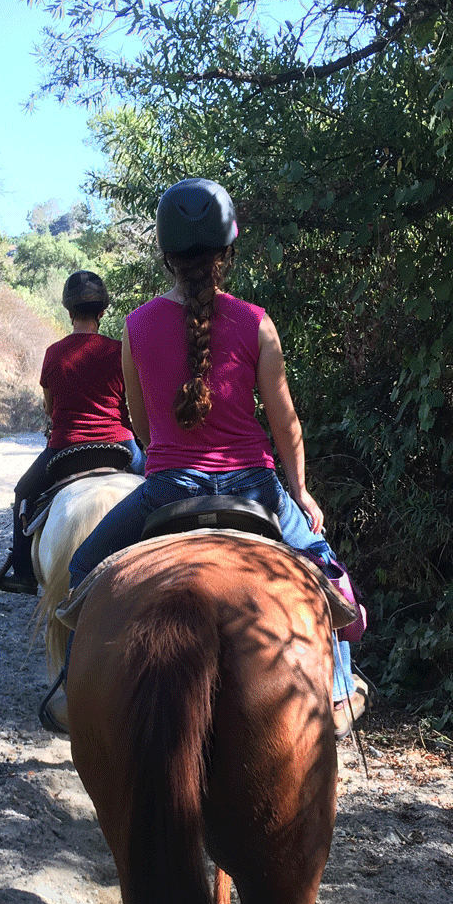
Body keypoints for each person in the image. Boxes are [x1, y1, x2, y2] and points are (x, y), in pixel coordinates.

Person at [66, 178, 366, 732]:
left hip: (168, 487)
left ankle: (72, 693)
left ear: (164, 254)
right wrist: (299, 492)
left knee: (83, 566)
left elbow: (142, 427)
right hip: (257, 488)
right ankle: (342, 692)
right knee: (331, 580)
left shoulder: (134, 327)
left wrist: (174, 460)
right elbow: (286, 423)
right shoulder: (257, 323)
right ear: (229, 249)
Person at [0, 270, 143, 595]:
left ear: (69, 312)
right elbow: (132, 403)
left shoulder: (54, 354)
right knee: (162, 486)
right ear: (103, 312)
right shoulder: (119, 351)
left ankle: (22, 572)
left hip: (65, 448)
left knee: (23, 493)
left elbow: (50, 408)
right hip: (122, 445)